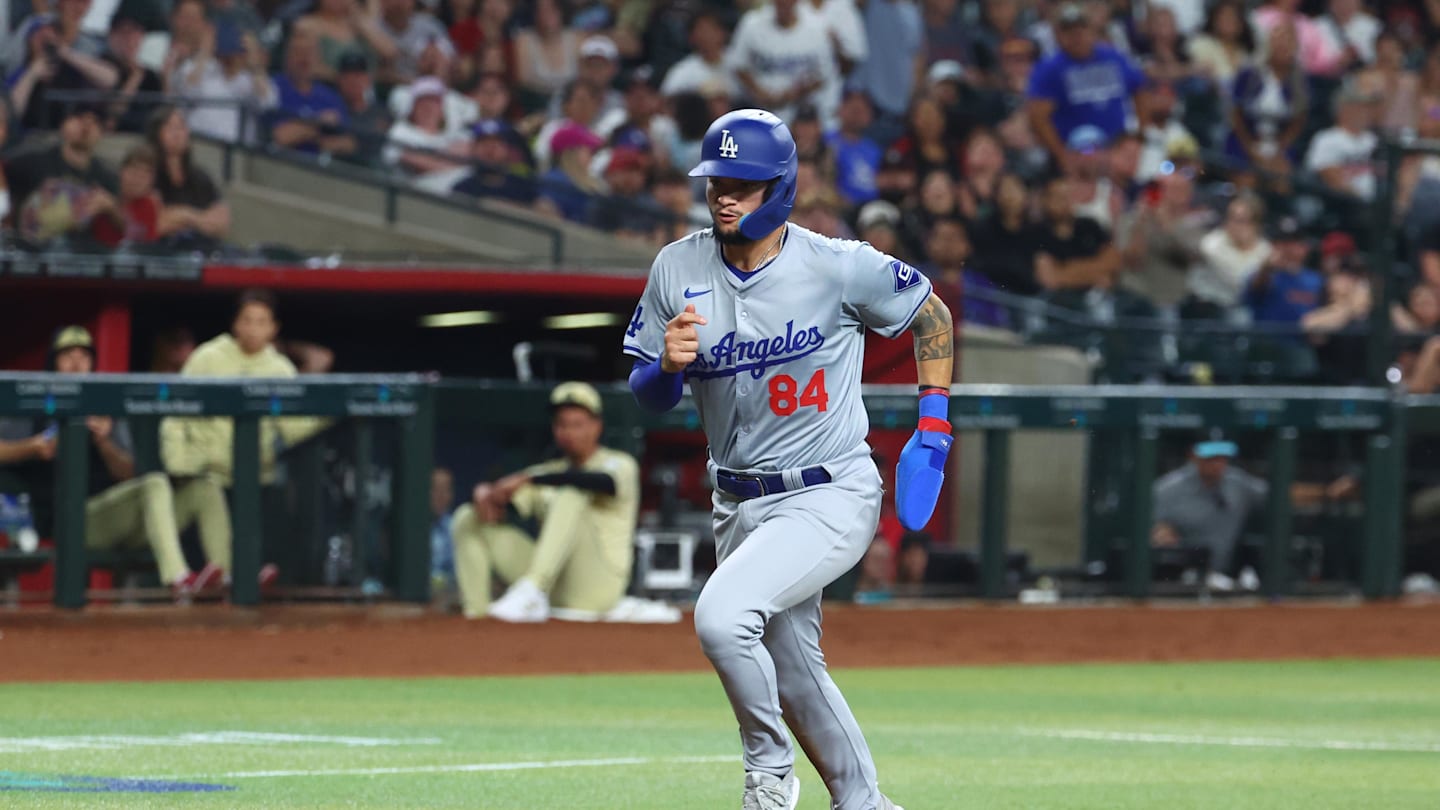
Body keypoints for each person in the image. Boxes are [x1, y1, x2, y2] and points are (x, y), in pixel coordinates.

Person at [623, 108, 942, 810]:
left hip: (830, 491)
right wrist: (666, 370)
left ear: (782, 186)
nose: (725, 196)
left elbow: (932, 314)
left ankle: (768, 771)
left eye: (743, 184)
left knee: (721, 616)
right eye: (716, 183)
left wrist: (934, 425)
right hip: (737, 499)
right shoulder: (677, 266)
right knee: (792, 670)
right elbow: (646, 392)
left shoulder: (836, 264)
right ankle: (863, 801)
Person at [0, 326, 226, 602]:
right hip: (70, 522)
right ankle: (177, 577)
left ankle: (227, 574)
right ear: (53, 362)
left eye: (84, 355)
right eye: (67, 355)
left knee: (204, 486)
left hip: (117, 518)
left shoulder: (104, 403)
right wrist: (33, 447)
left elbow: (129, 474)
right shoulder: (35, 399)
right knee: (154, 482)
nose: (76, 363)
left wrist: (105, 443)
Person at [452, 381, 639, 622]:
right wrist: (483, 493)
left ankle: (532, 589)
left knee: (570, 491)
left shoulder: (619, 463)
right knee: (467, 517)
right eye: (562, 424)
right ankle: (476, 614)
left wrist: (529, 477)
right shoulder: (547, 470)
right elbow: (502, 503)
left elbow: (601, 481)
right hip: (554, 586)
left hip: (597, 586)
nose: (569, 432)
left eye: (577, 424)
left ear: (596, 426)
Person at [7, 101, 116, 247]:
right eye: (80, 118)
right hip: (27, 255)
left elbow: (124, 231)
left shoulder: (106, 176)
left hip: (79, 260)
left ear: (102, 133)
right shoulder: (31, 161)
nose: (87, 126)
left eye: (95, 122)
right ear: (64, 124)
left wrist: (112, 208)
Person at [146, 105, 231, 248]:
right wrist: (197, 218)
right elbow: (156, 223)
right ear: (156, 133)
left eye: (181, 127)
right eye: (170, 127)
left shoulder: (200, 177)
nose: (177, 133)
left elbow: (222, 221)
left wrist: (183, 217)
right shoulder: (149, 174)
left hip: (202, 249)